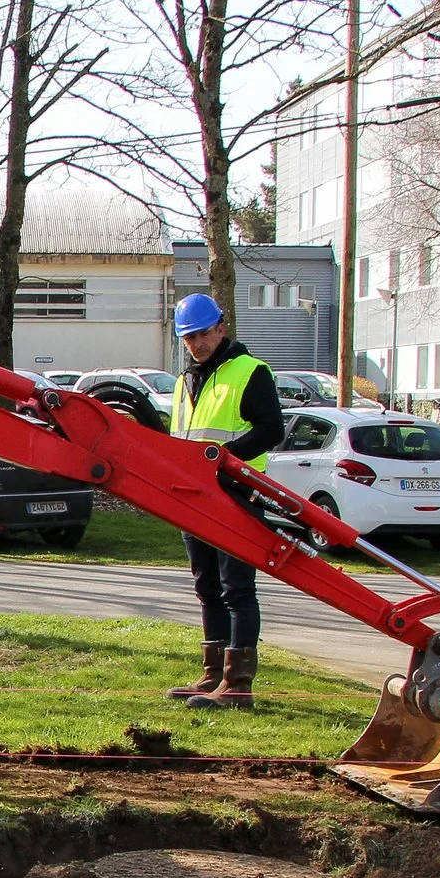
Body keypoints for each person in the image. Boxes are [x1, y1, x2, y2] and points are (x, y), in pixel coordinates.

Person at [161, 292, 283, 710]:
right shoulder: (183, 382)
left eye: (202, 334)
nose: (196, 343)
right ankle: (213, 673)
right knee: (207, 587)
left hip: (236, 494)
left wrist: (224, 462)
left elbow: (270, 430)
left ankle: (238, 684)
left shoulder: (251, 372)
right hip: (192, 496)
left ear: (221, 327)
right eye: (189, 337)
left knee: (237, 589)